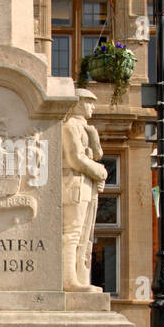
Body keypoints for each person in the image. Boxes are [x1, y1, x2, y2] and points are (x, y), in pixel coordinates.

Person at [61, 91, 107, 291]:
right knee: (72, 232)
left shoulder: (85, 128)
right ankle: (69, 280)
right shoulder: (70, 125)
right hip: (73, 184)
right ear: (78, 103)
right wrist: (100, 172)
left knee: (83, 235)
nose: (93, 107)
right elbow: (75, 158)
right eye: (89, 102)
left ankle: (80, 278)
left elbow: (96, 154)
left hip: (84, 184)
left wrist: (94, 137)